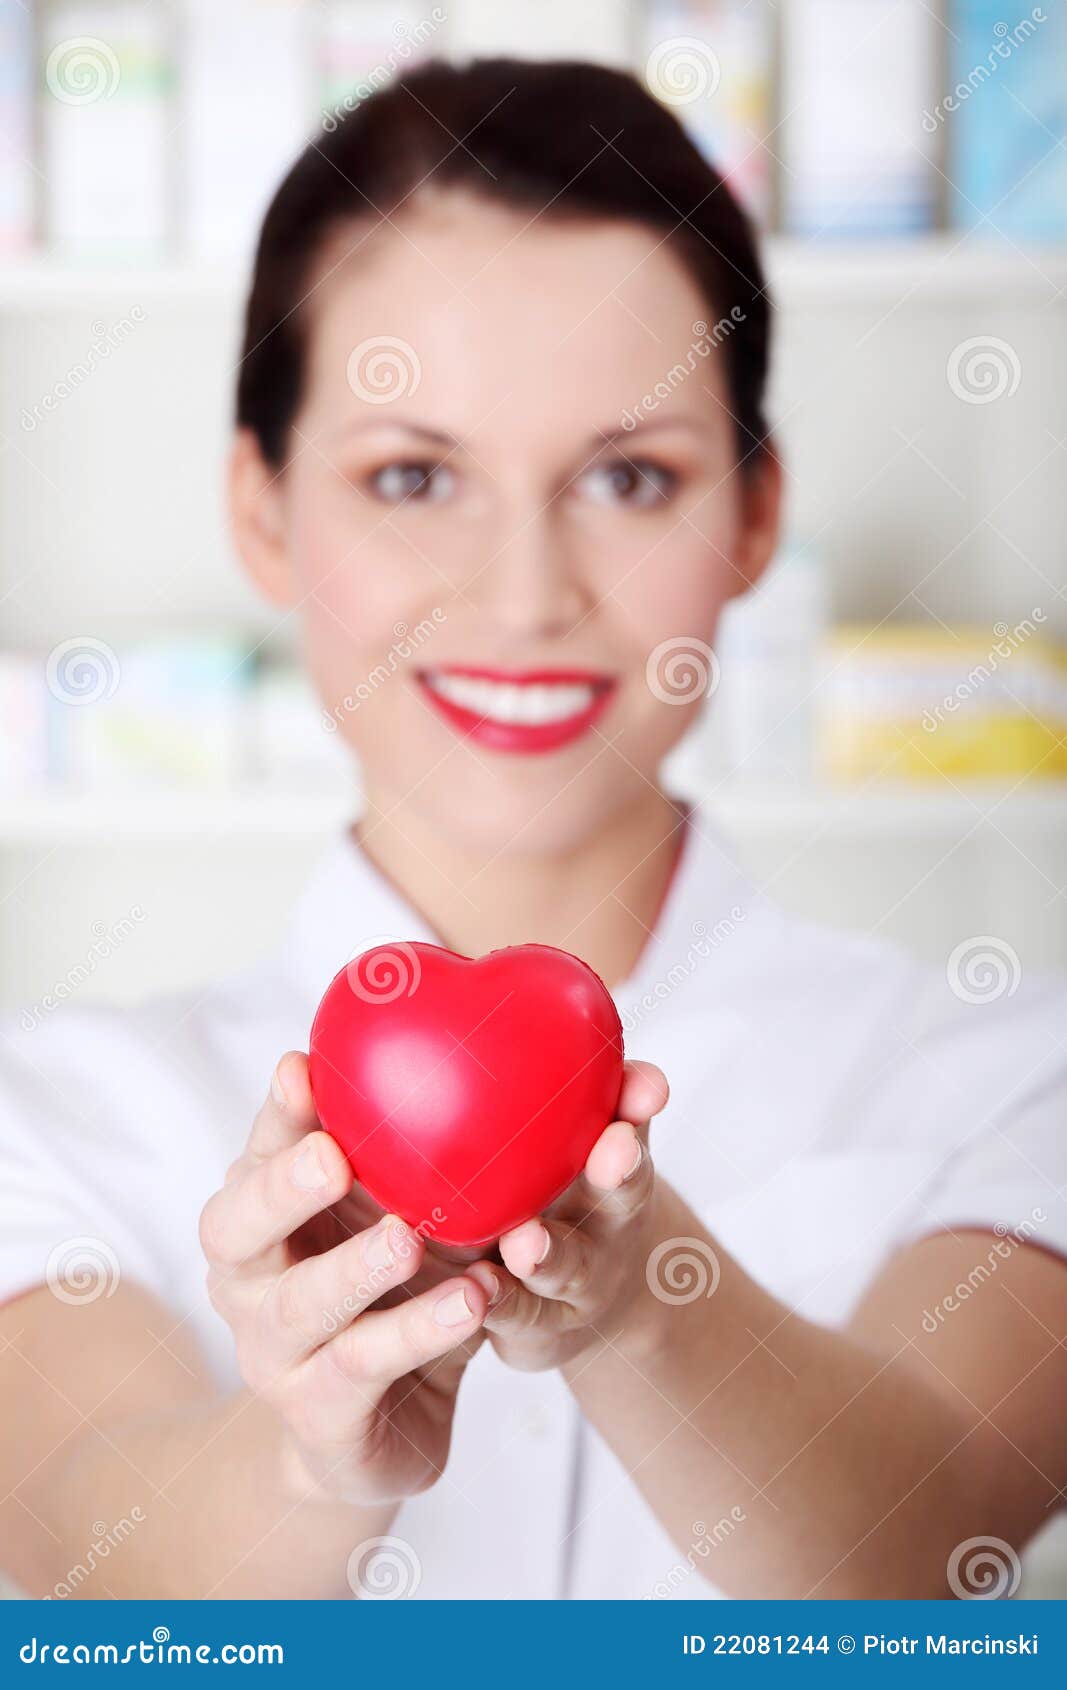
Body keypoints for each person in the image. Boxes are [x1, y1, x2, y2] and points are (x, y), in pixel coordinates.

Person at [1, 59, 1065, 1603]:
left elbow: (921, 1547)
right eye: (413, 474)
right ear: (262, 508)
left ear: (756, 516)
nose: (521, 597)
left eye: (630, 477)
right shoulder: (44, 1114)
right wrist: (304, 1459)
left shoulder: (1015, 1077)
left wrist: (643, 1313)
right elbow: (88, 1562)